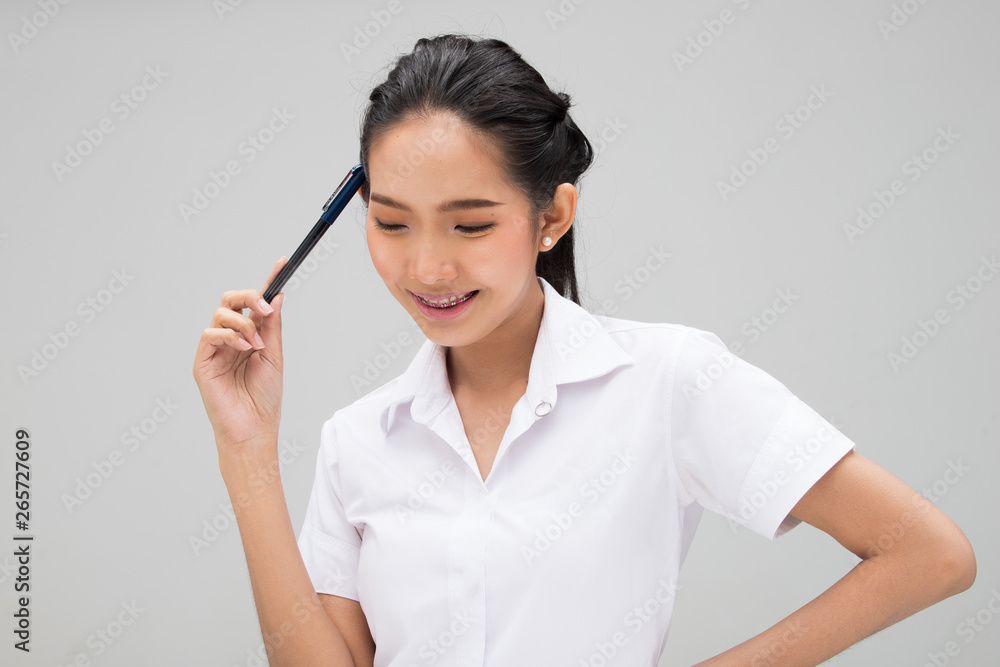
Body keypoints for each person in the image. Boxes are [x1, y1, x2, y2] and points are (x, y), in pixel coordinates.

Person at [192, 34, 976, 667]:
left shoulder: (667, 381)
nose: (427, 267)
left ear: (552, 215)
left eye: (470, 225)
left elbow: (929, 552)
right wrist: (248, 452)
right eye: (392, 223)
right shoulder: (359, 440)